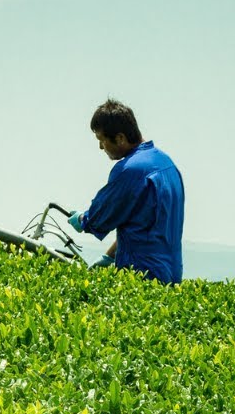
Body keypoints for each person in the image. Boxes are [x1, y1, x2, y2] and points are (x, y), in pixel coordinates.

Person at [67, 98, 185, 284]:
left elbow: (101, 217)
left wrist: (83, 219)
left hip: (142, 275)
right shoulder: (166, 164)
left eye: (102, 140)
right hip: (171, 273)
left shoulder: (131, 170)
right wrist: (109, 257)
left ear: (120, 138)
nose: (100, 147)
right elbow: (142, 224)